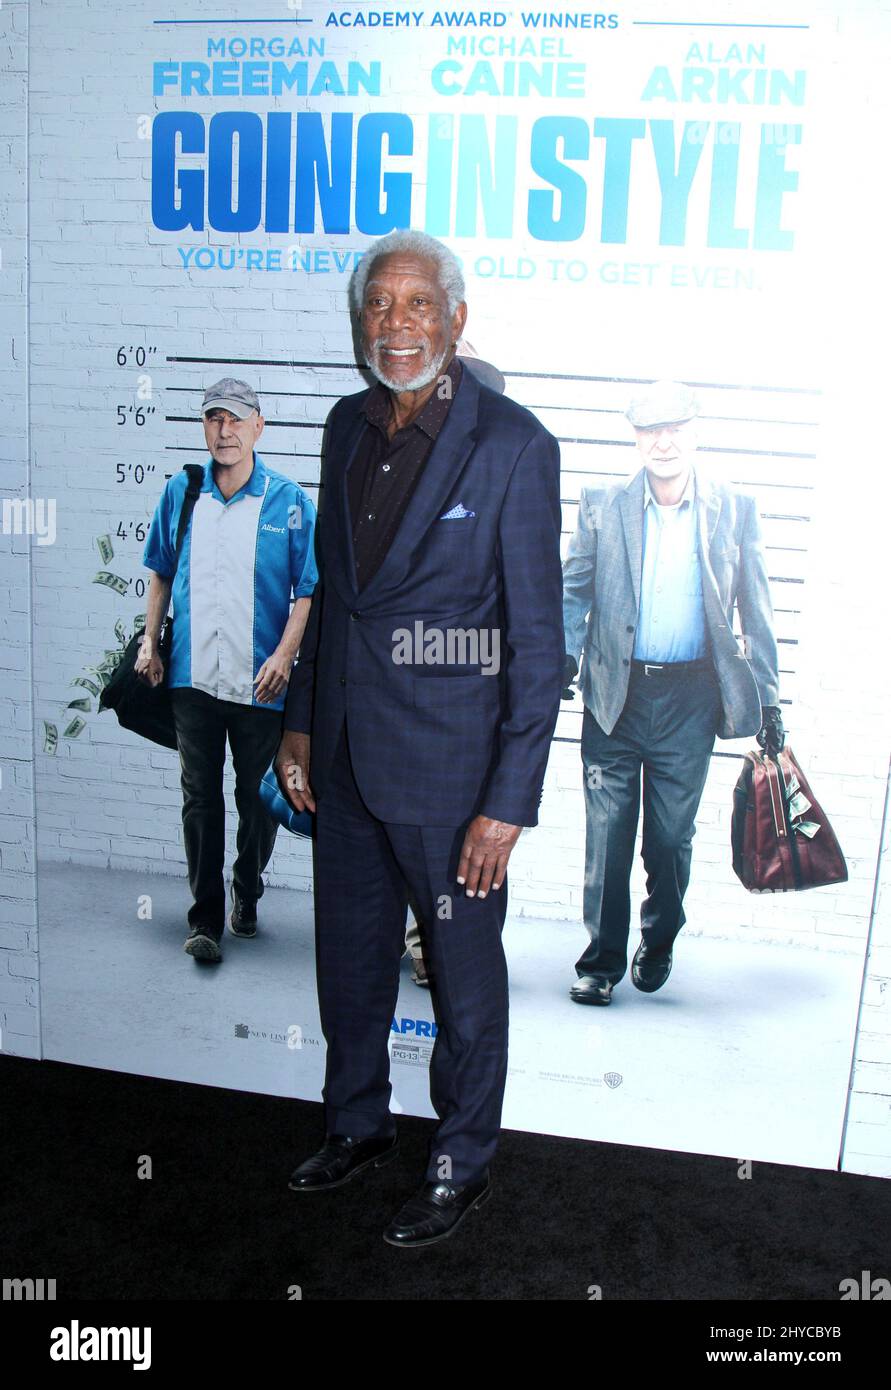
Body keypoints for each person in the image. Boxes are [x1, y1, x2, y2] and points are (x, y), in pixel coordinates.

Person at [276, 230, 563, 1248]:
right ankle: (356, 1124)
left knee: (461, 978)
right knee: (350, 962)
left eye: (419, 305)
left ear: (457, 318)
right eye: (381, 306)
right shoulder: (345, 426)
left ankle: (460, 1161)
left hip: (451, 780)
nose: (398, 326)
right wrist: (301, 725)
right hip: (346, 761)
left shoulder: (515, 446)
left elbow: (541, 647)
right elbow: (337, 599)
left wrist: (508, 802)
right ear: (362, 321)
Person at [562, 380, 783, 1006]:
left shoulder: (734, 508)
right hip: (615, 695)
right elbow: (573, 589)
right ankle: (600, 963)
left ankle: (658, 941)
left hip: (690, 701)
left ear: (694, 432)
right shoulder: (603, 505)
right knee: (607, 836)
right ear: (635, 439)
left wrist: (767, 700)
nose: (662, 442)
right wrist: (559, 654)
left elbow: (756, 610)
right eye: (648, 430)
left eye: (674, 429)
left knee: (668, 839)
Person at [138, 379, 318, 963]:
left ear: (257, 427)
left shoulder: (287, 500)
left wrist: (285, 655)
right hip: (192, 678)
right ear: (204, 427)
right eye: (214, 419)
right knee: (198, 798)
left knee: (256, 800)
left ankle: (248, 888)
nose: (224, 430)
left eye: (236, 420)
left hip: (261, 684)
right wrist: (149, 643)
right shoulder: (183, 493)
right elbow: (160, 571)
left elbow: (309, 590)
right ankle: (204, 918)